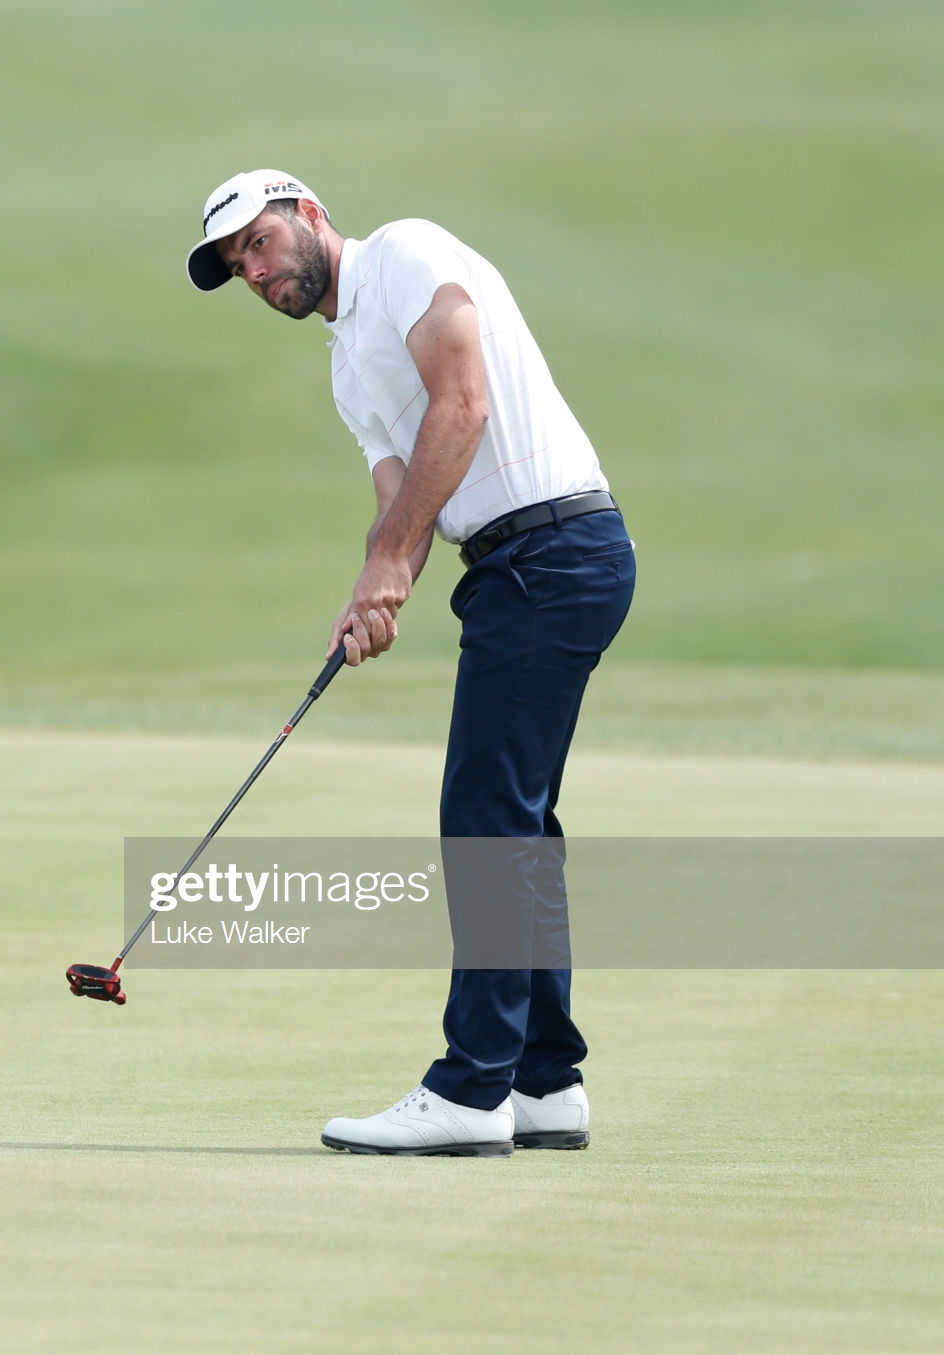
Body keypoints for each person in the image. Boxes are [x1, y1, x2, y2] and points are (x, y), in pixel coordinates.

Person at [184, 170, 636, 1155]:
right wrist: (370, 586)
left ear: (304, 213)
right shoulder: (347, 366)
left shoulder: (403, 254)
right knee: (516, 815)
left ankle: (470, 1086)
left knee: (482, 815)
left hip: (552, 549)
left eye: (257, 244)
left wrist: (391, 561)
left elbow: (461, 402)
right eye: (236, 267)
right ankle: (542, 1079)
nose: (255, 275)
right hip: (518, 565)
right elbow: (405, 500)